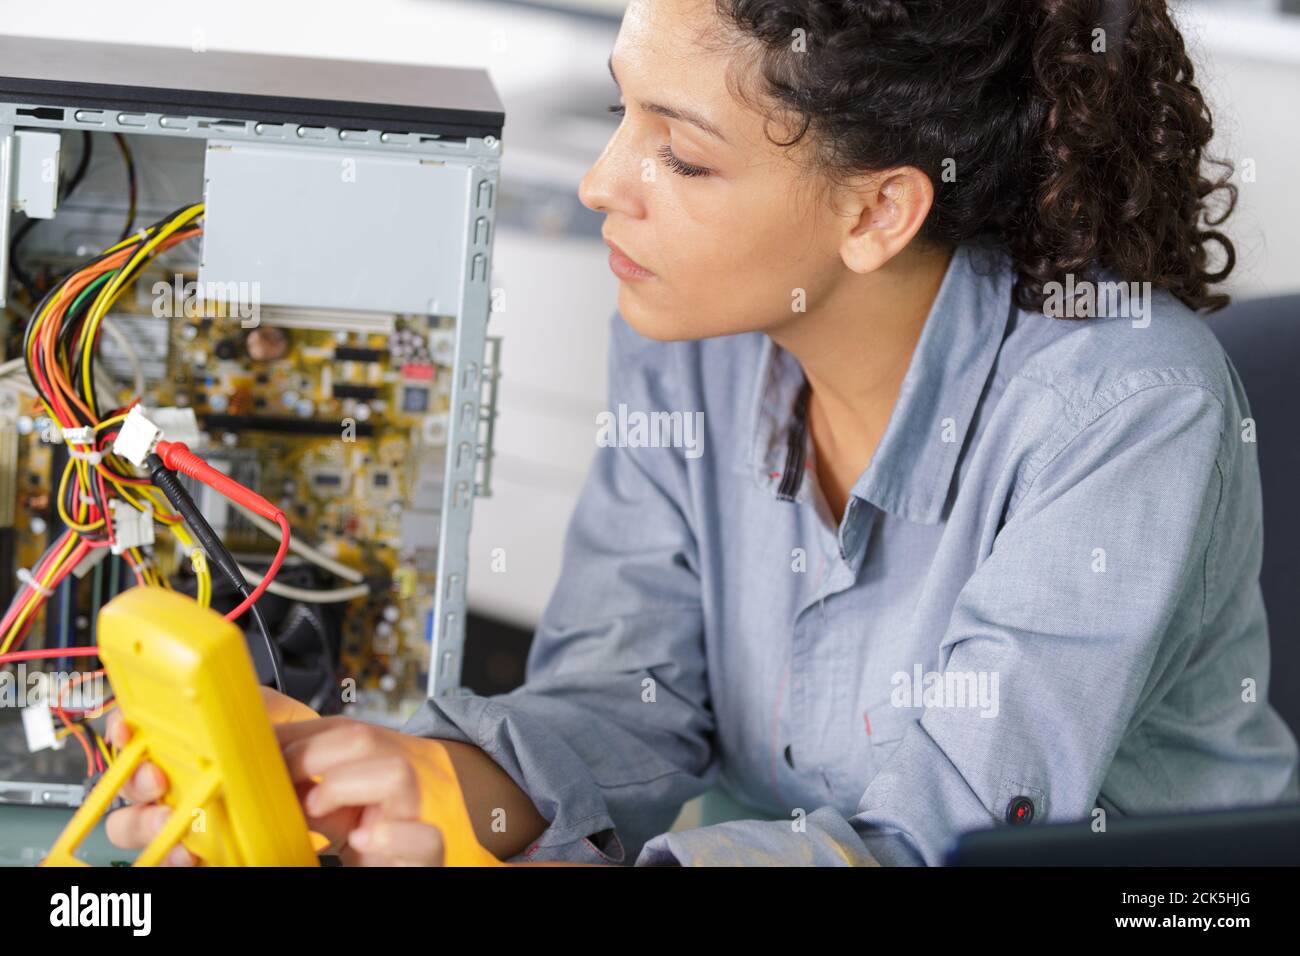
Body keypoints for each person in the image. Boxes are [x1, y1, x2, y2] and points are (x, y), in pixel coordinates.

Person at [107, 0, 1299, 866]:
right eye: (624, 115)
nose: (603, 184)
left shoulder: (1127, 406)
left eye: (680, 154)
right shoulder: (695, 331)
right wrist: (425, 785)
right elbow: (629, 699)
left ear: (878, 208)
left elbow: (942, 838)